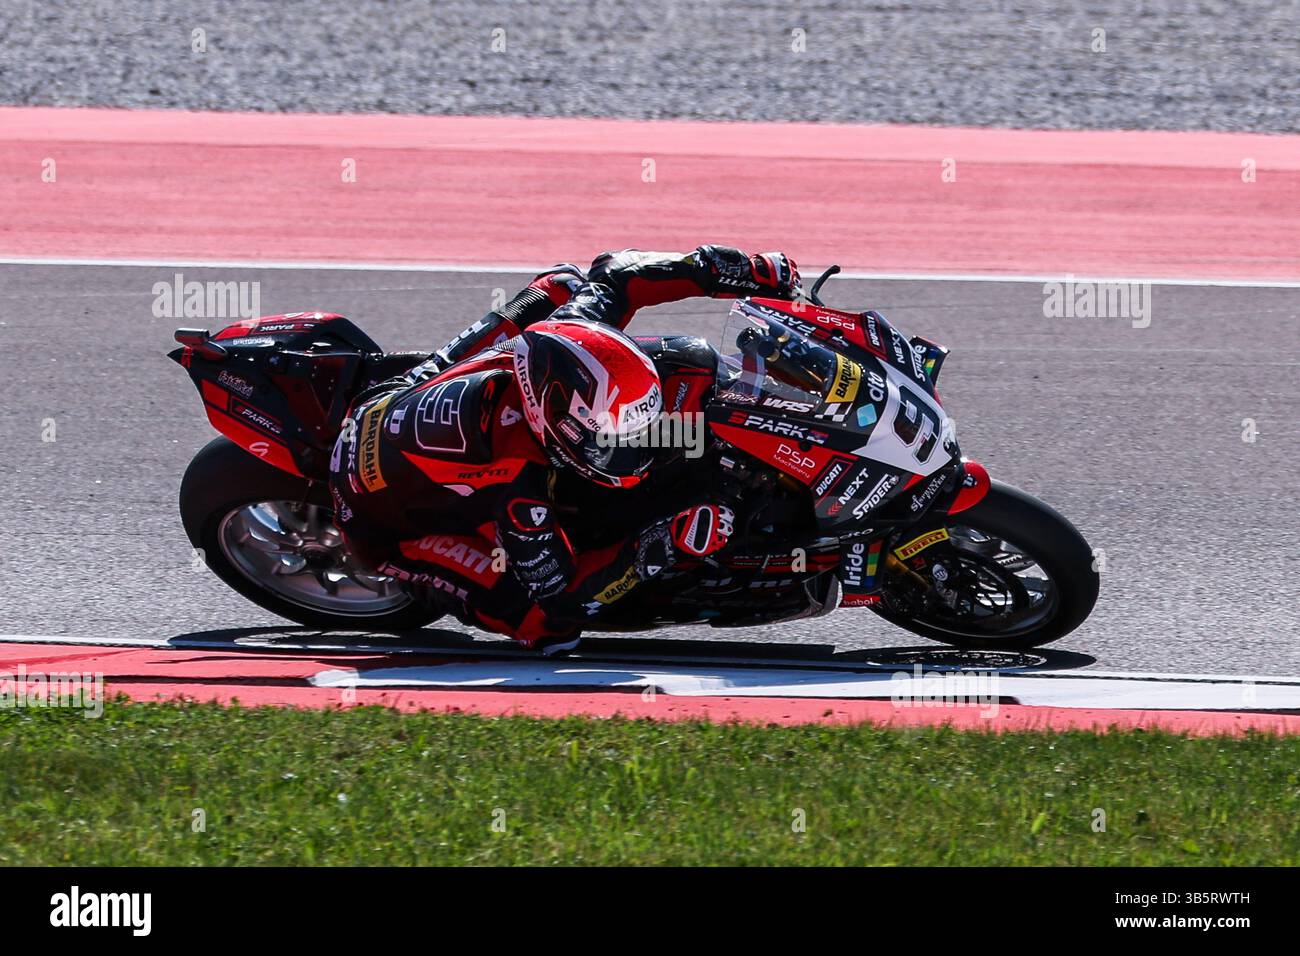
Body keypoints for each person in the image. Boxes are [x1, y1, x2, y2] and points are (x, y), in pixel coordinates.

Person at [329, 245, 802, 653]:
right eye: (616, 438)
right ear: (555, 424)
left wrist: (729, 268)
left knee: (561, 285)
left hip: (398, 394)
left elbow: (619, 271)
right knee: (545, 626)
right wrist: (663, 542)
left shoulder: (573, 326)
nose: (640, 443)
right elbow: (565, 597)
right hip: (376, 517)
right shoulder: (518, 487)